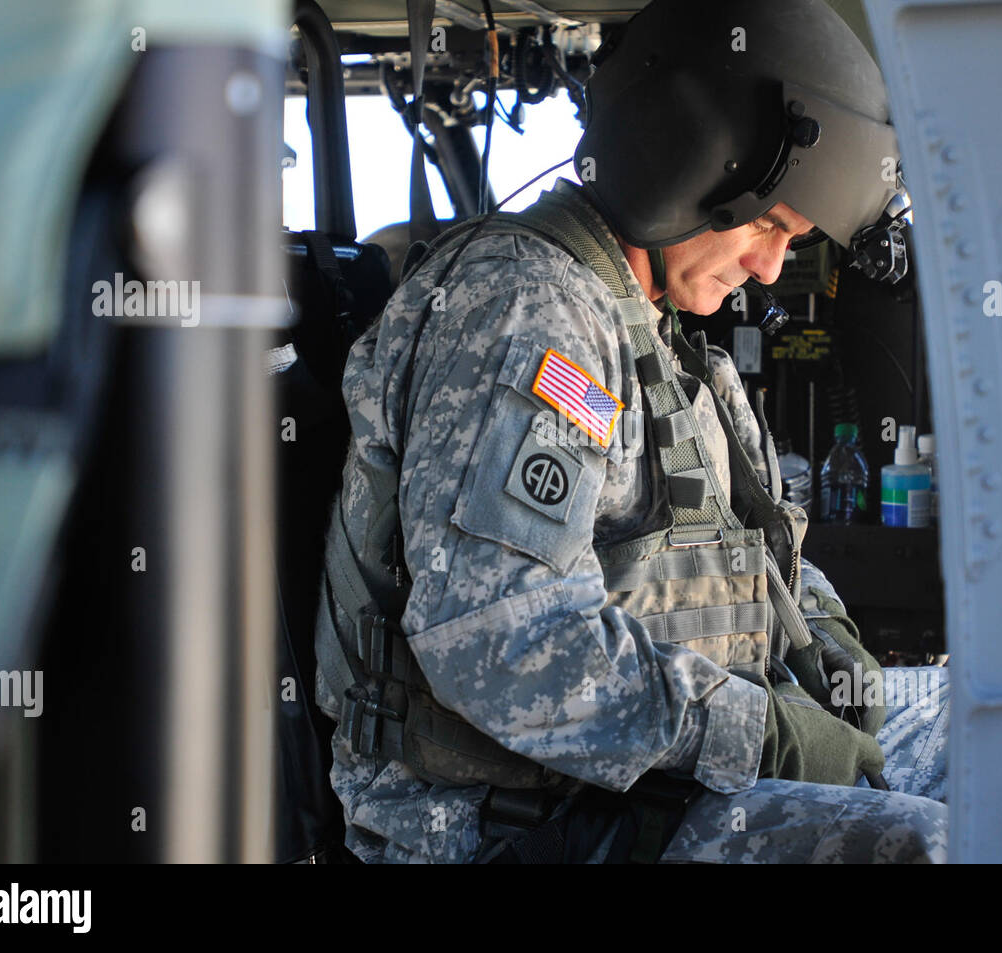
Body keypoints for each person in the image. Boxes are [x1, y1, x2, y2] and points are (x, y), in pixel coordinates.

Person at [313, 0, 948, 863]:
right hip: (508, 824)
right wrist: (764, 735)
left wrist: (830, 647)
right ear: (679, 159)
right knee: (928, 844)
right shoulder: (527, 310)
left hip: (643, 785)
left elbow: (752, 551)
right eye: (768, 225)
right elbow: (501, 637)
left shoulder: (654, 331)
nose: (769, 267)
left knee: (973, 731)